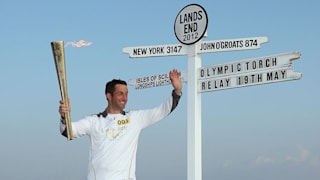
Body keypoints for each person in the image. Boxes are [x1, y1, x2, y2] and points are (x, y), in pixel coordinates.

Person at [59, 69, 182, 180]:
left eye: (126, 93)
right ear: (109, 96)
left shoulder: (135, 119)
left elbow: (161, 111)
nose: (125, 97)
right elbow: (68, 132)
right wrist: (64, 117)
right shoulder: (94, 121)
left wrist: (177, 91)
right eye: (120, 93)